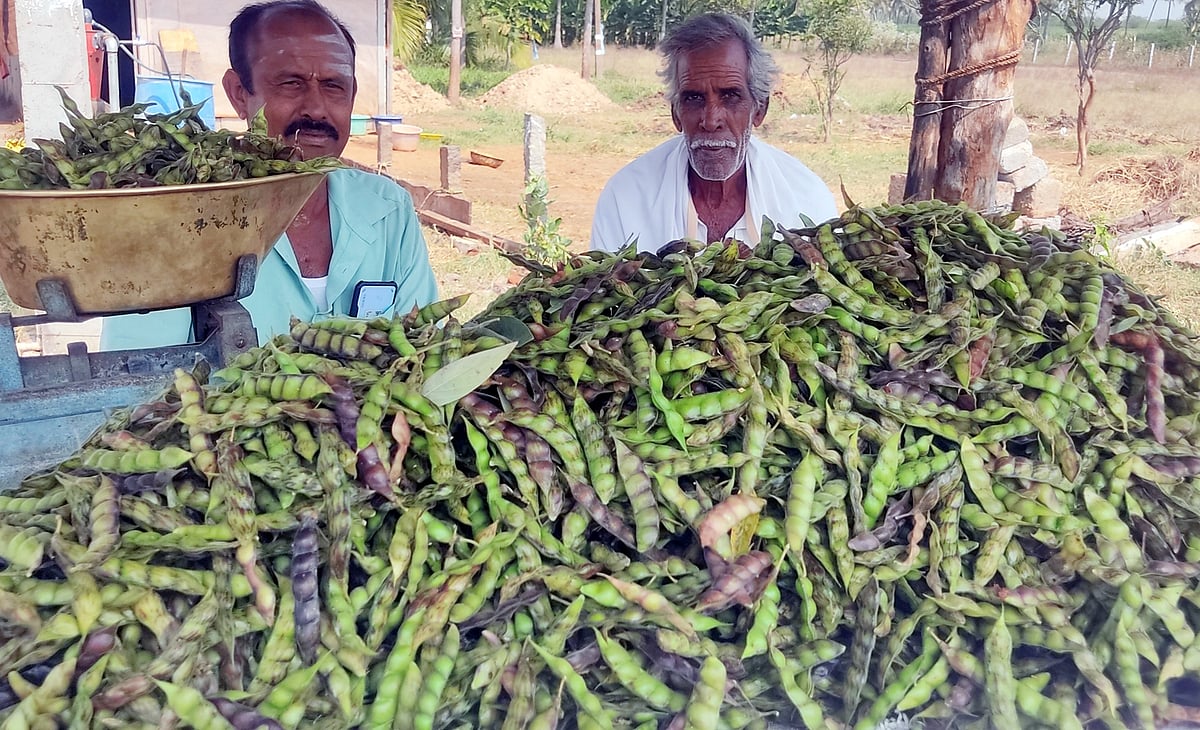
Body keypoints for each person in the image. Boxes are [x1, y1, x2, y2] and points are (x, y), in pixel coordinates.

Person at [101, 0, 437, 350]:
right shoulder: (175, 218)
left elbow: (424, 348)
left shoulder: (387, 209)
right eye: (291, 83)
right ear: (238, 94)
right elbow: (140, 382)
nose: (316, 108)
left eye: (334, 85)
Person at [589, 13, 837, 254]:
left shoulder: (806, 200)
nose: (710, 120)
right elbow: (606, 291)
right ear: (676, 114)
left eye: (730, 96)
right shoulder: (626, 198)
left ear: (759, 110)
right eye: (694, 98)